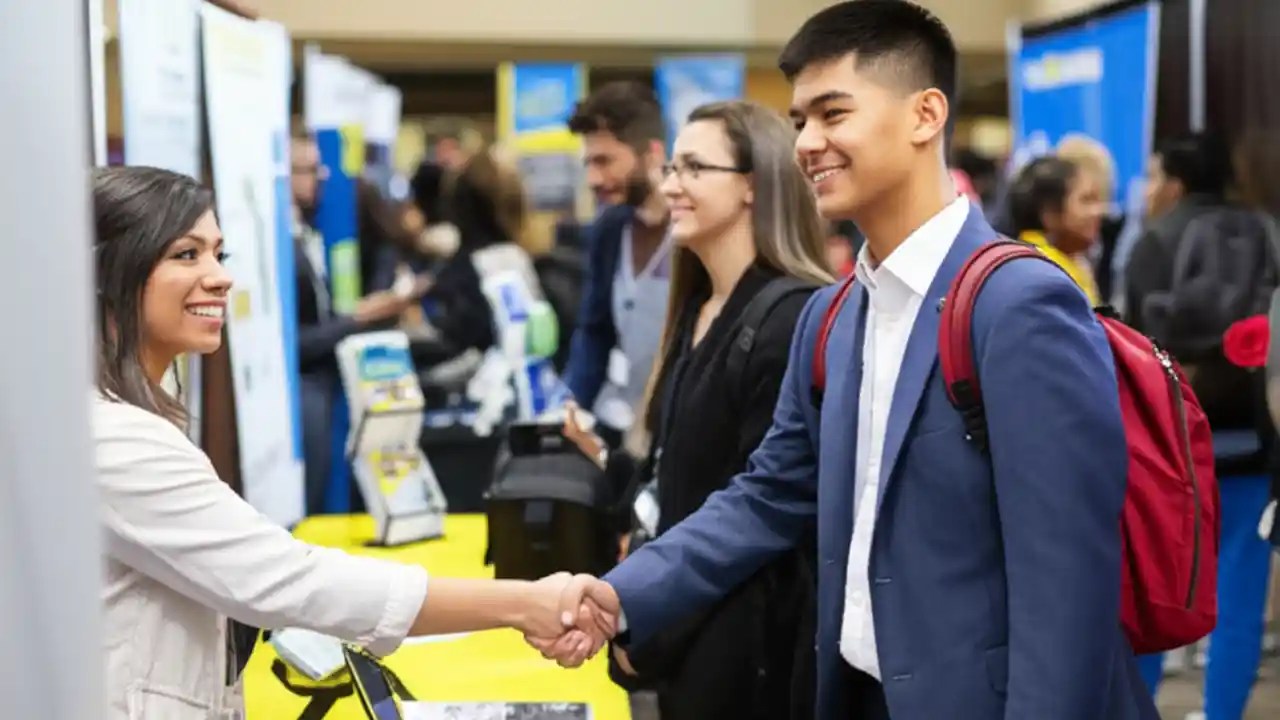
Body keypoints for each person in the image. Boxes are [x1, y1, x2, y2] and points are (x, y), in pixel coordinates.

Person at [533, 3, 1158, 719]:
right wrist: (620, 594)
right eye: (800, 120)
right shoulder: (831, 317)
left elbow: (1067, 582)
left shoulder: (1019, 304)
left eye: (834, 113)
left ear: (925, 115)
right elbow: (767, 496)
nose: (807, 143)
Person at [90, 166, 596, 719]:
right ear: (111, 271)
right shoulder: (114, 439)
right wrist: (523, 603)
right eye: (186, 255)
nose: (220, 277)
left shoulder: (130, 418)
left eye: (218, 254)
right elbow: (288, 580)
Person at [560, 100, 831, 720]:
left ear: (753, 185)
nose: (670, 186)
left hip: (743, 666)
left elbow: (764, 523)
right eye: (671, 168)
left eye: (693, 168)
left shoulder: (789, 320)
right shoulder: (698, 309)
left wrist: (646, 624)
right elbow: (683, 479)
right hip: (685, 650)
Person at [290, 131, 421, 514]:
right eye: (307, 169)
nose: (321, 178)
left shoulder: (315, 232)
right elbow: (293, 342)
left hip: (327, 383)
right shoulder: (286, 245)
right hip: (305, 389)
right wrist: (358, 318)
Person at [562, 81, 673, 448]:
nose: (593, 179)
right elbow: (595, 331)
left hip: (683, 429)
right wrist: (571, 405)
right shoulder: (610, 229)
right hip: (624, 425)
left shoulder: (693, 228)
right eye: (589, 163)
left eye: (604, 161)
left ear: (653, 153)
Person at [1007, 155, 1106, 305]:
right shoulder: (1042, 274)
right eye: (1086, 200)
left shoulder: (1075, 263)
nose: (1098, 211)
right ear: (1050, 213)